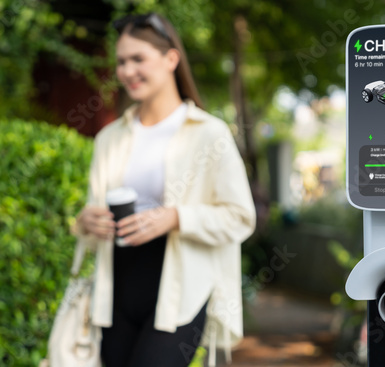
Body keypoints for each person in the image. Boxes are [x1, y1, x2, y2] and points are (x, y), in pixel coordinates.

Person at [71, 12, 256, 367]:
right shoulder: (108, 138)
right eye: (122, 61)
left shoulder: (209, 133)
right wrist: (85, 222)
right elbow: (93, 214)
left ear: (171, 58)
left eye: (138, 59)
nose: (127, 71)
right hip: (117, 291)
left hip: (181, 288)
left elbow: (240, 217)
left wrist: (175, 217)